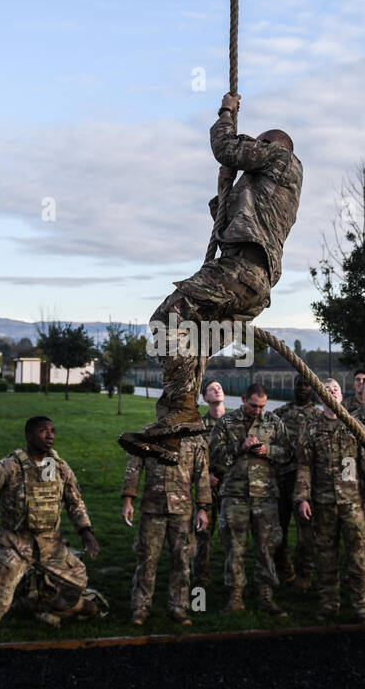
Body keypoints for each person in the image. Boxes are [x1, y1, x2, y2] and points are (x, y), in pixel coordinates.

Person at [118, 91, 302, 464]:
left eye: (257, 143)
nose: (252, 146)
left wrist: (226, 114)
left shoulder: (283, 159)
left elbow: (226, 147)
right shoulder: (268, 187)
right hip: (252, 287)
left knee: (164, 323)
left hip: (240, 272)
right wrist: (225, 186)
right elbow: (228, 222)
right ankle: (172, 432)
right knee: (192, 346)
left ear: (271, 146)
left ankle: (181, 412)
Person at [0, 416, 103, 686]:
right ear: (28, 435)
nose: (50, 435)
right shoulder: (9, 467)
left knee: (78, 580)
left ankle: (55, 604)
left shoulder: (60, 468)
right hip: (15, 544)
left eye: (53, 431)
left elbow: (75, 502)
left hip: (51, 544)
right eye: (43, 431)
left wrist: (86, 532)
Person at [296, 379, 365, 623]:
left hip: (352, 503)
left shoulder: (354, 426)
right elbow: (304, 467)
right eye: (325, 390)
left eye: (335, 389)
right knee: (326, 557)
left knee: (357, 557)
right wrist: (303, 498)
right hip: (323, 503)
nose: (331, 393)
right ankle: (329, 604)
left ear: (342, 396)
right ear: (319, 398)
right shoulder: (311, 428)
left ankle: (362, 608)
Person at [208, 383, 291, 615]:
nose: (258, 411)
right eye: (254, 405)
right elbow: (213, 456)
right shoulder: (226, 423)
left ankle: (266, 597)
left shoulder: (273, 422)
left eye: (262, 406)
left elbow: (289, 452)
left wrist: (269, 451)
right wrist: (238, 447)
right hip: (235, 495)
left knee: (267, 548)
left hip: (265, 496)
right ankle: (235, 597)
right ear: (244, 399)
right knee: (234, 548)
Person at [121, 432, 211, 625]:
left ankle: (179, 606)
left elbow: (202, 475)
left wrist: (202, 508)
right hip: (152, 509)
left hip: (183, 511)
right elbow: (133, 469)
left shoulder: (195, 440)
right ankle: (140, 607)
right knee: (147, 559)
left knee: (182, 560)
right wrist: (128, 500)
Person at [272, 375, 319, 587]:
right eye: (299, 384)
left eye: (306, 385)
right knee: (278, 529)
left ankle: (305, 573)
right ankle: (284, 569)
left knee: (306, 533)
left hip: (307, 483)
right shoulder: (280, 414)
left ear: (313, 389)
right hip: (282, 479)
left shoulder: (318, 416)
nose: (302, 388)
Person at [191, 380, 226, 587]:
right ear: (205, 398)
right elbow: (194, 459)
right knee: (203, 533)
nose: (217, 389)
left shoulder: (234, 423)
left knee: (234, 534)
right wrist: (206, 477)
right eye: (212, 388)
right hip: (207, 488)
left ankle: (233, 579)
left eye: (219, 387)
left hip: (231, 487)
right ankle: (201, 579)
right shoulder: (199, 427)